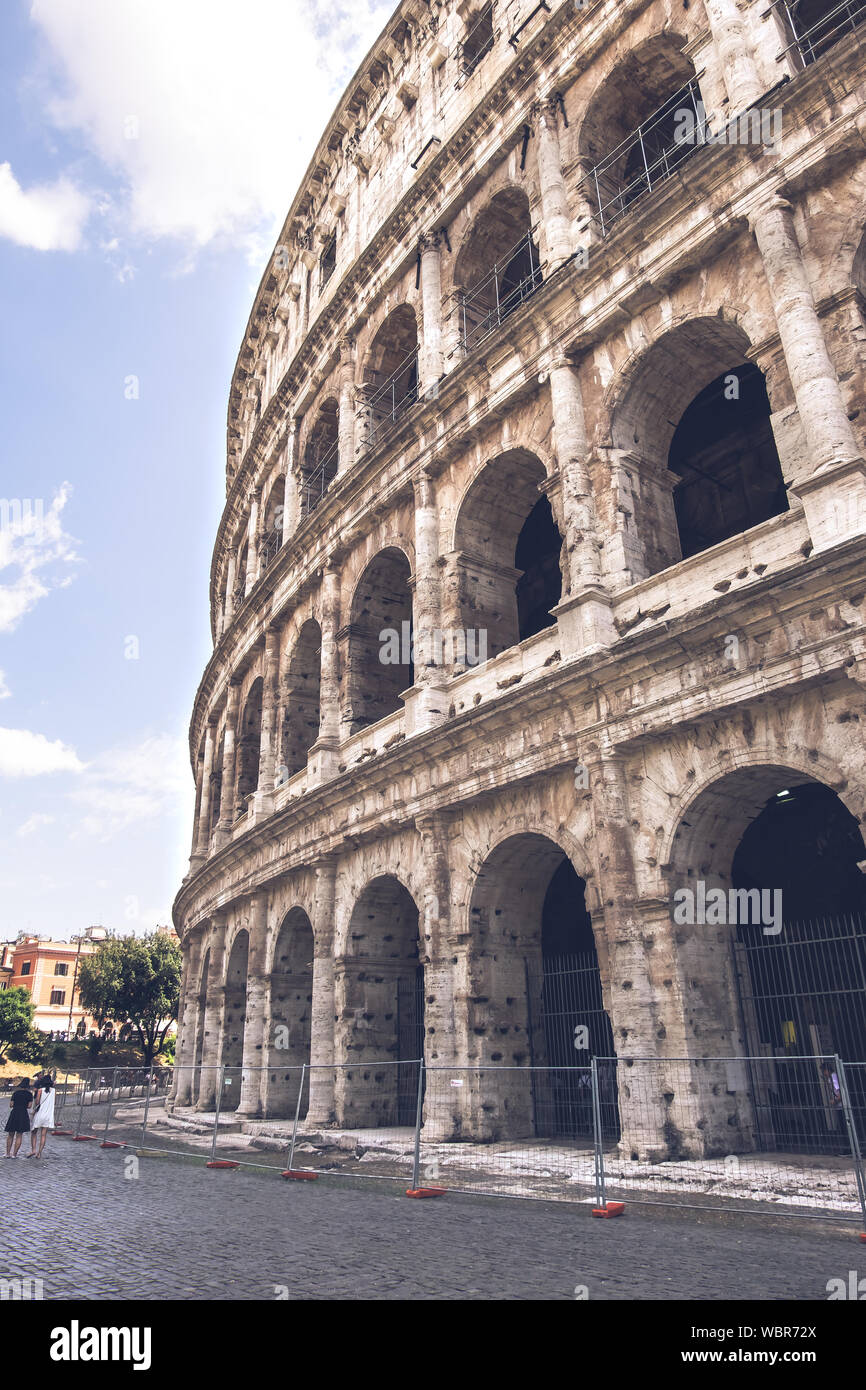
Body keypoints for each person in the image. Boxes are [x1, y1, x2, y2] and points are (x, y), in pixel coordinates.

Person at [28, 1074, 56, 1158]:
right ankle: (39, 1153)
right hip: (48, 1115)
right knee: (43, 1135)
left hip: (40, 1114)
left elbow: (37, 1102)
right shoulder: (54, 1091)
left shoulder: (40, 1090)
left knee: (34, 1132)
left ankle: (33, 1150)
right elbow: (54, 1102)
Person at [4, 1078, 33, 1157]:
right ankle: (14, 1154)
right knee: (19, 1135)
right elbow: (29, 1106)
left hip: (15, 1113)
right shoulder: (29, 1094)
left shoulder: (16, 1093)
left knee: (10, 1134)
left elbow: (11, 1105)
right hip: (23, 1114)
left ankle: (7, 1153)